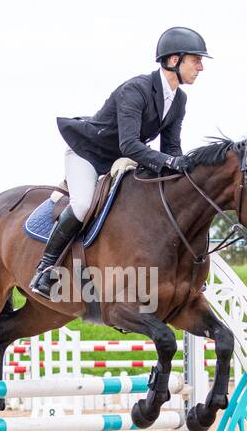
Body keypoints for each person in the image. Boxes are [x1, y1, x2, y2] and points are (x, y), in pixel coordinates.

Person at [30, 26, 210, 296]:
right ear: (174, 60)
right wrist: (170, 163)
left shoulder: (178, 99)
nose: (201, 67)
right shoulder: (136, 89)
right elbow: (129, 143)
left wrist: (183, 171)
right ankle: (44, 269)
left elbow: (171, 147)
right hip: (88, 155)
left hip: (121, 160)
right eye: (196, 60)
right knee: (82, 204)